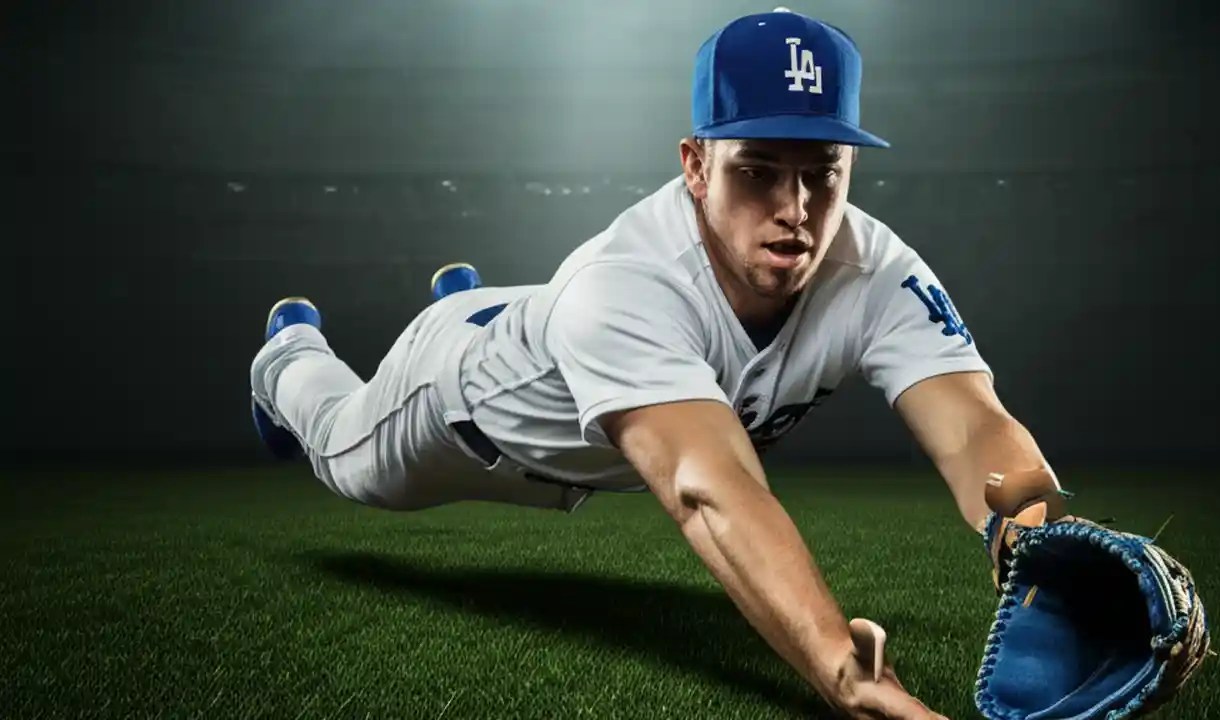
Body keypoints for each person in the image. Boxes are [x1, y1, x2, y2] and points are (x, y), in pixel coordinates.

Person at [250, 9, 1055, 719]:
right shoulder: (626, 285)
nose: (796, 208)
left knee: (563, 322)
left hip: (562, 353)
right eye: (759, 169)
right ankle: (290, 351)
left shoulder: (874, 266)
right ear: (696, 163)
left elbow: (972, 422)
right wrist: (838, 667)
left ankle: (464, 296)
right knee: (342, 454)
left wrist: (1039, 536)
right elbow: (711, 491)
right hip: (458, 414)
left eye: (822, 172)